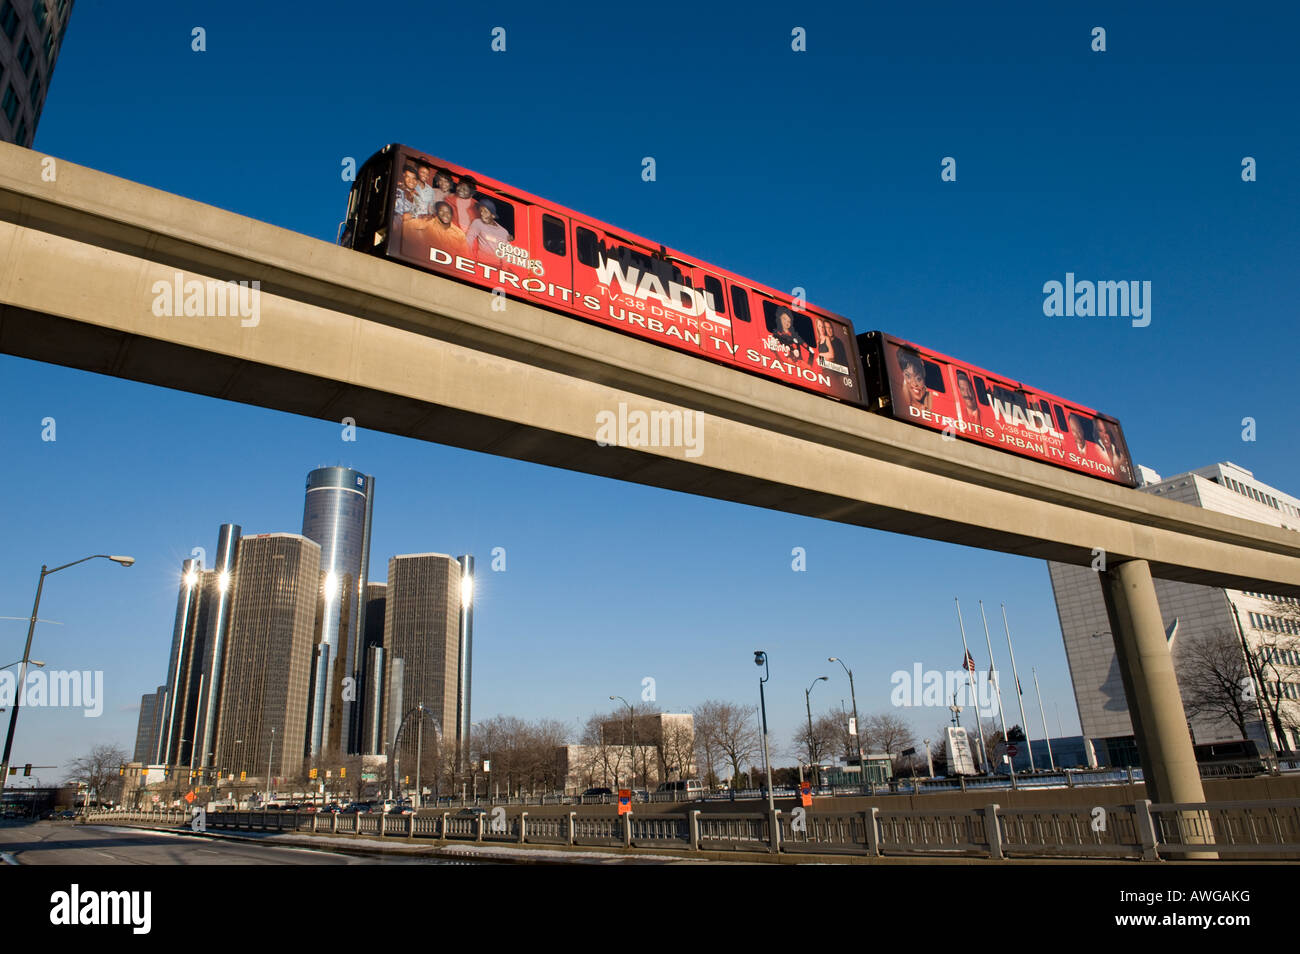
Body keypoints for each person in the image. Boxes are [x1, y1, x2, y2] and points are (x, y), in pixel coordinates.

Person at [465, 197, 512, 261]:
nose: (481, 214)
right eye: (481, 211)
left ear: (493, 215)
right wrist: (469, 258)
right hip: (481, 262)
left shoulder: (504, 232)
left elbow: (506, 254)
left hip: (497, 266)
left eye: (485, 211)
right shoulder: (478, 222)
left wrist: (504, 269)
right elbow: (468, 240)